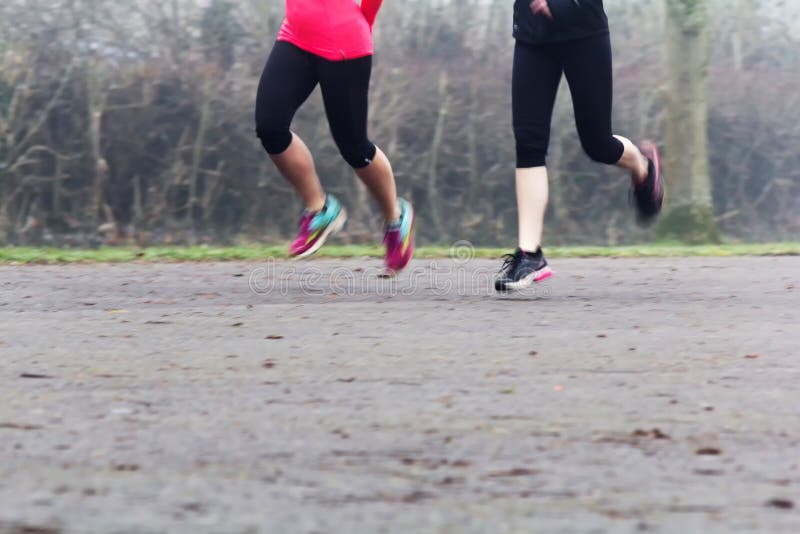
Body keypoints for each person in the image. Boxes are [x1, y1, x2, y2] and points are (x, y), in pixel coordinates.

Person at [495, 0, 664, 292]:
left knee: (597, 143)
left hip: (583, 31)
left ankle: (642, 166)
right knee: (528, 142)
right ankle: (529, 254)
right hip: (533, 34)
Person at [255, 0, 414, 272]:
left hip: (344, 43)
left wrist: (364, 22)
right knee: (270, 126)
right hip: (295, 35)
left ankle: (395, 220)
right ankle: (320, 210)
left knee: (354, 148)